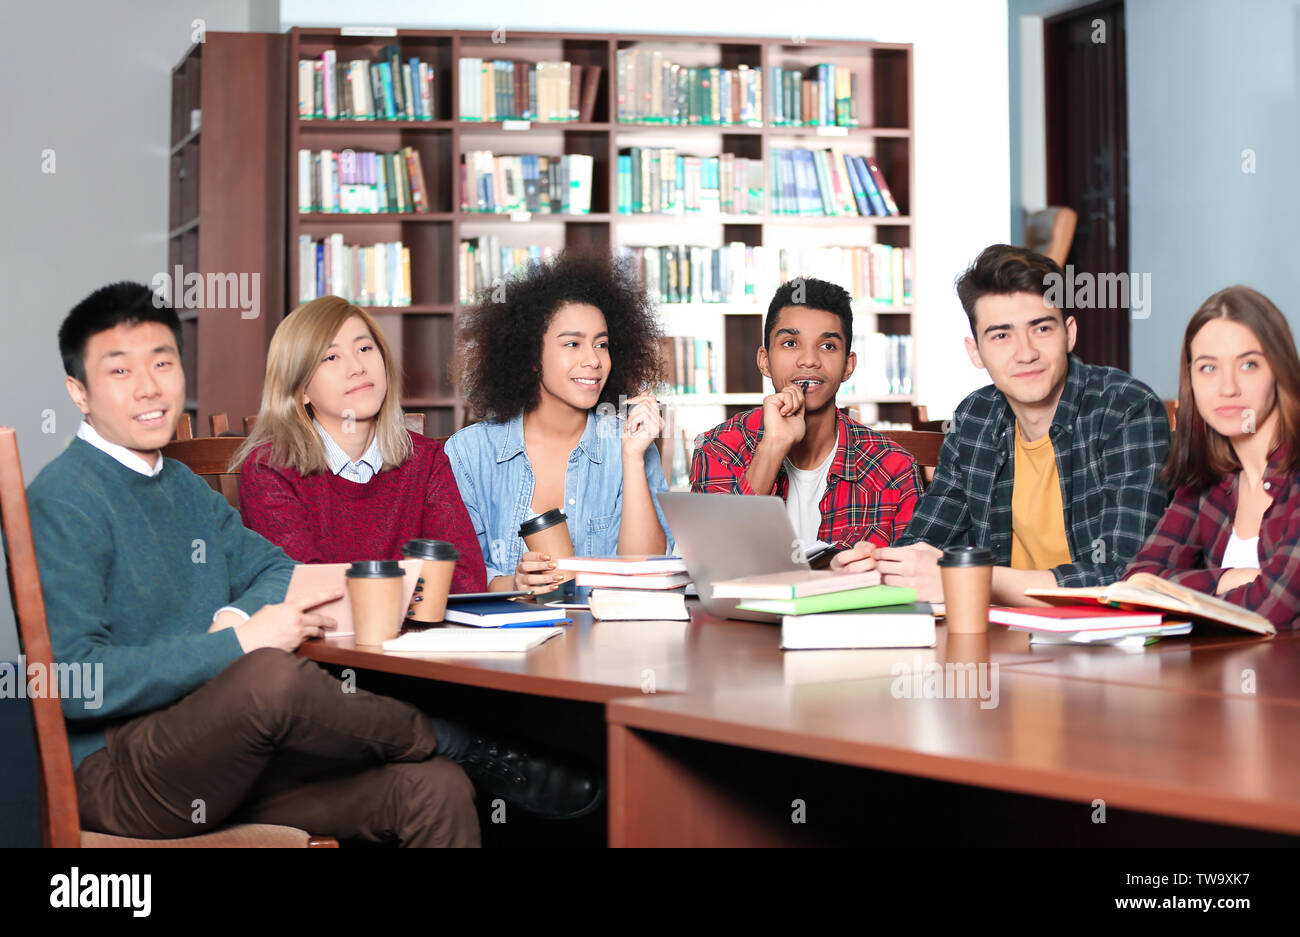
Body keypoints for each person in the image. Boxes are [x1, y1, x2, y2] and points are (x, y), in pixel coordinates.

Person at [26, 283, 595, 848]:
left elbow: (277, 572)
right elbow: (78, 683)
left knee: (434, 788)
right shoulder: (64, 497)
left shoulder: (178, 484)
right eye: (120, 372)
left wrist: (232, 618)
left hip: (225, 750)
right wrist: (240, 643)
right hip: (125, 771)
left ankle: (452, 751)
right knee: (268, 673)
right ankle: (458, 739)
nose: (149, 387)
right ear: (80, 393)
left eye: (163, 363)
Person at [833, 244, 1170, 604]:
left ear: (1069, 333)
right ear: (975, 351)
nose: (1025, 353)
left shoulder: (1126, 408)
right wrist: (876, 567)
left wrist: (968, 579)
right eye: (1001, 335)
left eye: (1041, 328)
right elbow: (927, 544)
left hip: (1105, 645)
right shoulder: (975, 418)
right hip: (1002, 638)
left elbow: (1125, 578)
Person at [445, 252, 672, 593]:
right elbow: (459, 573)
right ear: (531, 357)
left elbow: (647, 571)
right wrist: (513, 584)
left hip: (606, 641)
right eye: (572, 343)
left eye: (602, 344)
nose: (593, 360)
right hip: (506, 643)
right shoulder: (468, 452)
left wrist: (632, 458)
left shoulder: (629, 445)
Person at [234, 296, 486, 594]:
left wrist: (369, 592)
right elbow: (306, 590)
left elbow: (466, 579)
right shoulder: (270, 468)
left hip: (419, 640)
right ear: (301, 389)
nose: (356, 368)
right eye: (331, 357)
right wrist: (415, 586)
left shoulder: (426, 459)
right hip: (319, 641)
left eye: (365, 348)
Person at [690, 276, 922, 558]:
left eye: (827, 346)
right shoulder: (719, 447)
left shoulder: (893, 467)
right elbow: (716, 560)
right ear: (764, 360)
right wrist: (773, 447)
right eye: (790, 343)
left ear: (848, 366)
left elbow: (908, 579)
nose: (809, 360)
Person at [1124, 286, 1300, 629]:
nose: (1227, 387)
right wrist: (1228, 579)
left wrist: (1186, 599)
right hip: (1222, 677)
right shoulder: (1208, 481)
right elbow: (1138, 583)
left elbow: (1269, 609)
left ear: (1279, 369)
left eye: (1249, 364)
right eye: (1208, 368)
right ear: (1190, 378)